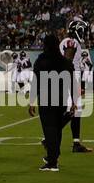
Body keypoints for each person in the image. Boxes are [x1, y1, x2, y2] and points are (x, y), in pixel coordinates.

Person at [29, 31, 75, 173]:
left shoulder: (41, 60)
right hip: (61, 99)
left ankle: (52, 162)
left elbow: (35, 82)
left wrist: (31, 101)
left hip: (46, 99)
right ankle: (53, 157)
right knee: (56, 129)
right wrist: (73, 100)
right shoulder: (64, 61)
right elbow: (72, 81)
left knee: (49, 129)